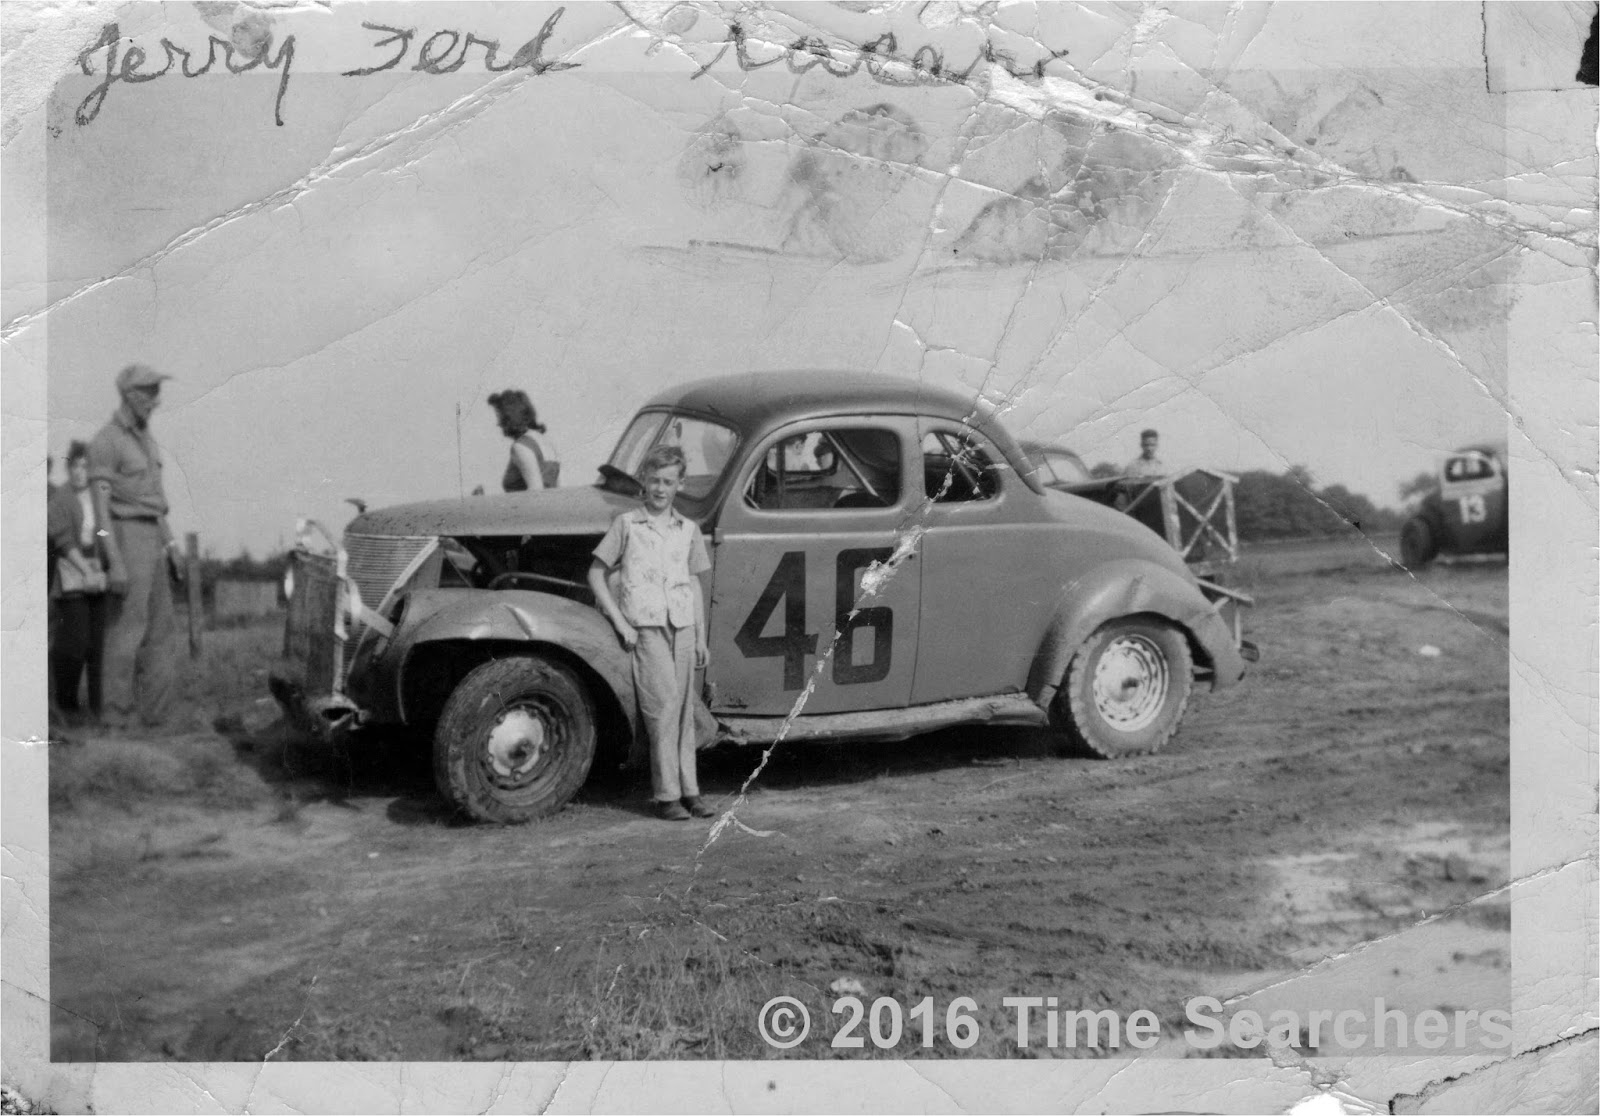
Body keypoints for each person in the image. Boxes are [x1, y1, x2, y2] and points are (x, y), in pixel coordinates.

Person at [587, 444, 714, 822]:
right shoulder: (627, 525)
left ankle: (691, 792)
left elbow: (693, 583)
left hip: (683, 627)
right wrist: (621, 623)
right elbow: (596, 574)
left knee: (683, 711)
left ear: (680, 484)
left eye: (668, 482)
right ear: (644, 481)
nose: (660, 488)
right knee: (662, 710)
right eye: (655, 480)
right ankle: (667, 796)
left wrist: (701, 636)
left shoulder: (688, 529)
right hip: (647, 629)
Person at [88, 363, 180, 730]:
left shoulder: (147, 441)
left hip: (153, 537)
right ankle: (116, 719)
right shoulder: (106, 441)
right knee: (126, 632)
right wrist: (114, 560)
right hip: (125, 537)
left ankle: (158, 718)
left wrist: (171, 543)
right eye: (150, 393)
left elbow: (154, 501)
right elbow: (100, 511)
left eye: (158, 393)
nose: (156, 401)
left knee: (161, 634)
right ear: (129, 395)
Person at [48, 442, 111, 723]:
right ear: (68, 468)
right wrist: (86, 570)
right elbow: (64, 542)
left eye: (85, 466)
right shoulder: (60, 500)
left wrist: (101, 559)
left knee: (97, 646)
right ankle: (66, 706)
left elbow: (102, 531)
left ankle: (98, 710)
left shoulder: (97, 497)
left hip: (95, 571)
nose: (79, 472)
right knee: (75, 644)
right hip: (71, 572)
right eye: (74, 466)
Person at [488, 389, 560, 491]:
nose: (498, 424)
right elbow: (556, 488)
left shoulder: (520, 447)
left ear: (509, 418)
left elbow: (535, 490)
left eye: (500, 417)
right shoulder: (546, 442)